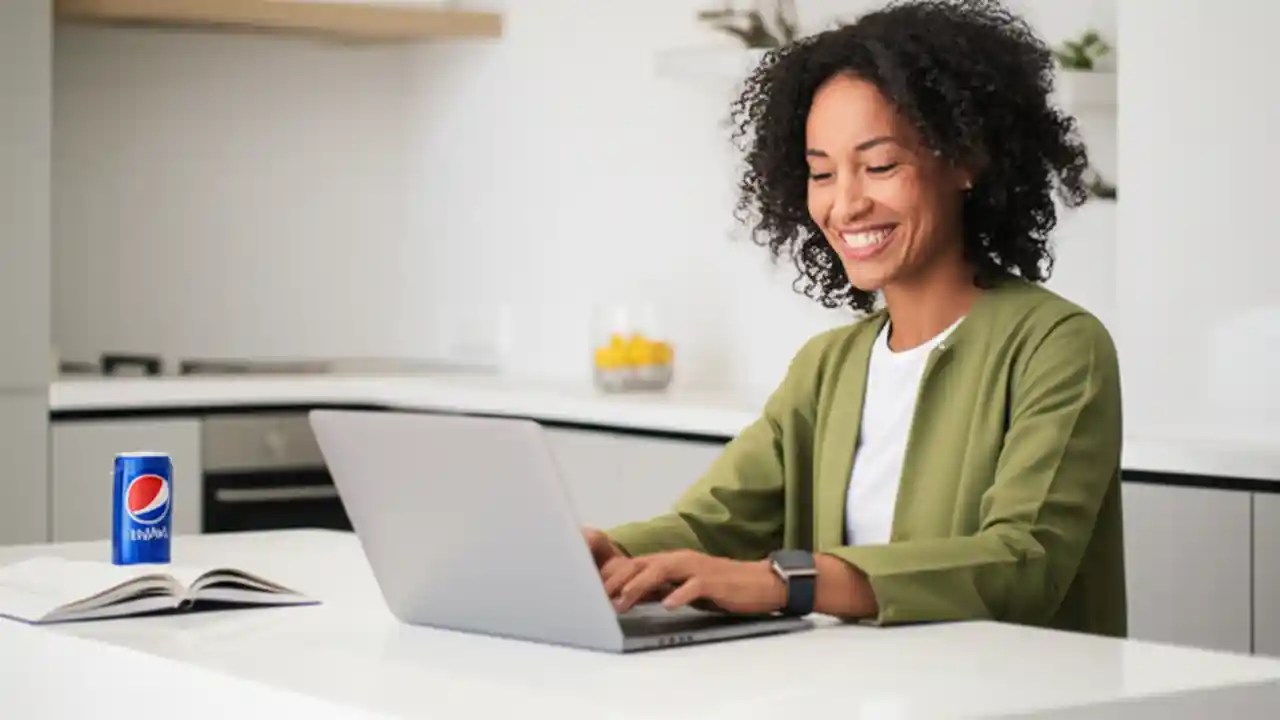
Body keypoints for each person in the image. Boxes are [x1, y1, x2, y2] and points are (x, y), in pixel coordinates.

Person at [584, 0, 1125, 637]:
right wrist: (609, 555)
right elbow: (713, 523)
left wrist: (788, 581)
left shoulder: (1058, 347)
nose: (847, 204)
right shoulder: (830, 365)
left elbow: (1022, 562)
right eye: (821, 173)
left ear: (966, 160)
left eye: (880, 166)